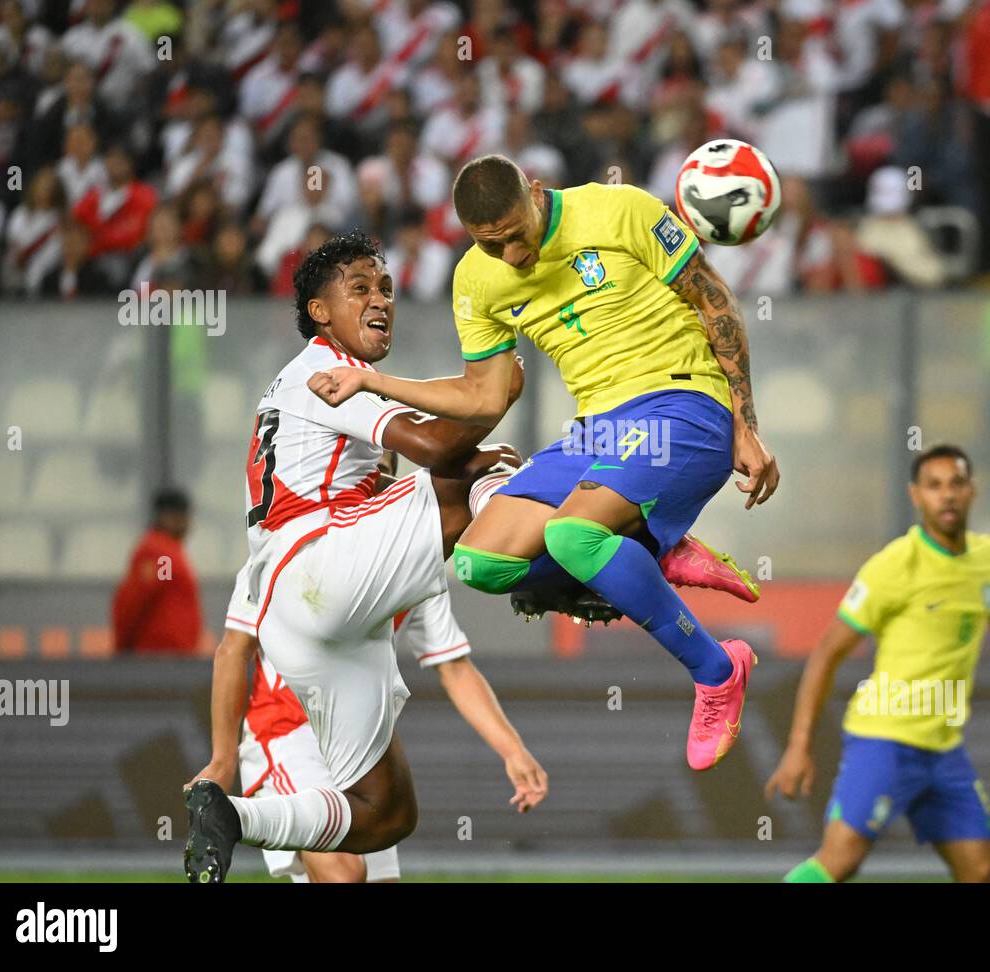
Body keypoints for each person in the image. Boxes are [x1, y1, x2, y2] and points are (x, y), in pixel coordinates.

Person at [306, 155, 778, 771]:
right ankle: (654, 551)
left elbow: (715, 304)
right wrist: (375, 384)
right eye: (489, 244)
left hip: (684, 403)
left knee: (575, 534)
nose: (511, 257)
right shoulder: (478, 277)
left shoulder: (620, 209)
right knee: (481, 561)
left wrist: (746, 423)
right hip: (597, 432)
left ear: (535, 193)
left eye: (515, 236)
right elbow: (482, 397)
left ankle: (717, 671)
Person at [183, 231, 528, 884]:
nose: (382, 299)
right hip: (322, 565)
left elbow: (233, 648)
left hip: (308, 618)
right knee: (489, 464)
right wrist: (497, 395)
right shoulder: (327, 375)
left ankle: (234, 818)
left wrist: (221, 764)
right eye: (361, 287)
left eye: (388, 287)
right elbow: (433, 448)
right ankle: (552, 576)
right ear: (319, 309)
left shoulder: (300, 463)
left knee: (385, 814)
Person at [766, 445, 990, 883]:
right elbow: (826, 654)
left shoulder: (987, 560)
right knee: (840, 863)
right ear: (916, 496)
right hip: (884, 741)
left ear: (972, 491)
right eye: (934, 486)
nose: (946, 495)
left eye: (956, 484)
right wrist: (798, 746)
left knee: (983, 873)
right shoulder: (893, 566)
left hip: (944, 749)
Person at [189, 557, 548, 883]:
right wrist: (223, 760)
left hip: (363, 741)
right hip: (287, 734)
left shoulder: (414, 559)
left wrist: (513, 751)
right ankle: (231, 818)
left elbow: (453, 667)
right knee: (344, 874)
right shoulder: (283, 543)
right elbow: (234, 650)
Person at [111, 488, 201, 654]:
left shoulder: (167, 551)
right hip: (159, 658)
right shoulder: (161, 555)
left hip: (170, 658)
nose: (189, 523)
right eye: (183, 516)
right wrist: (122, 649)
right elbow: (135, 601)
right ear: (167, 517)